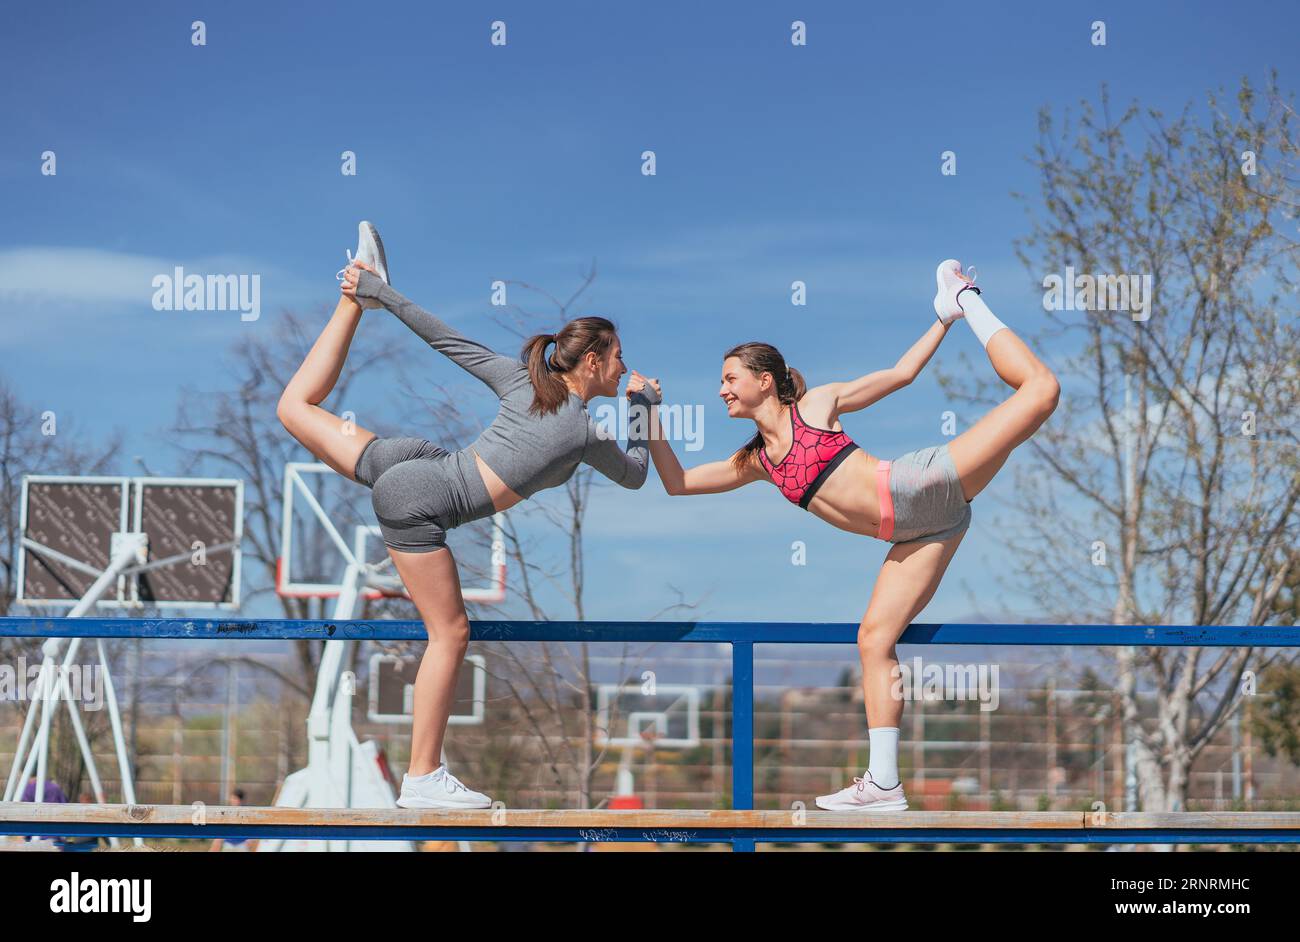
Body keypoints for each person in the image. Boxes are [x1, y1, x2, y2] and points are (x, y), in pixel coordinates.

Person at [641, 260, 1060, 811]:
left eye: (729, 378)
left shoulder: (816, 406)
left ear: (764, 380)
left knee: (1041, 390)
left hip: (919, 485)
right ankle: (883, 782)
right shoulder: (760, 463)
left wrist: (946, 318)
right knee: (873, 640)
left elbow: (902, 373)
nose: (721, 390)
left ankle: (969, 298)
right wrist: (647, 415)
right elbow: (677, 483)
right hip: (921, 532)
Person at [277, 223, 658, 809]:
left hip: (417, 461)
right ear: (592, 361)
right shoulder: (583, 430)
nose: (622, 365)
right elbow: (636, 474)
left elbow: (443, 339)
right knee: (450, 632)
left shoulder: (522, 381)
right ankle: (423, 776)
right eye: (617, 357)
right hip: (424, 497)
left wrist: (381, 293)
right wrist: (641, 408)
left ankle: (352, 297)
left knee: (294, 407)